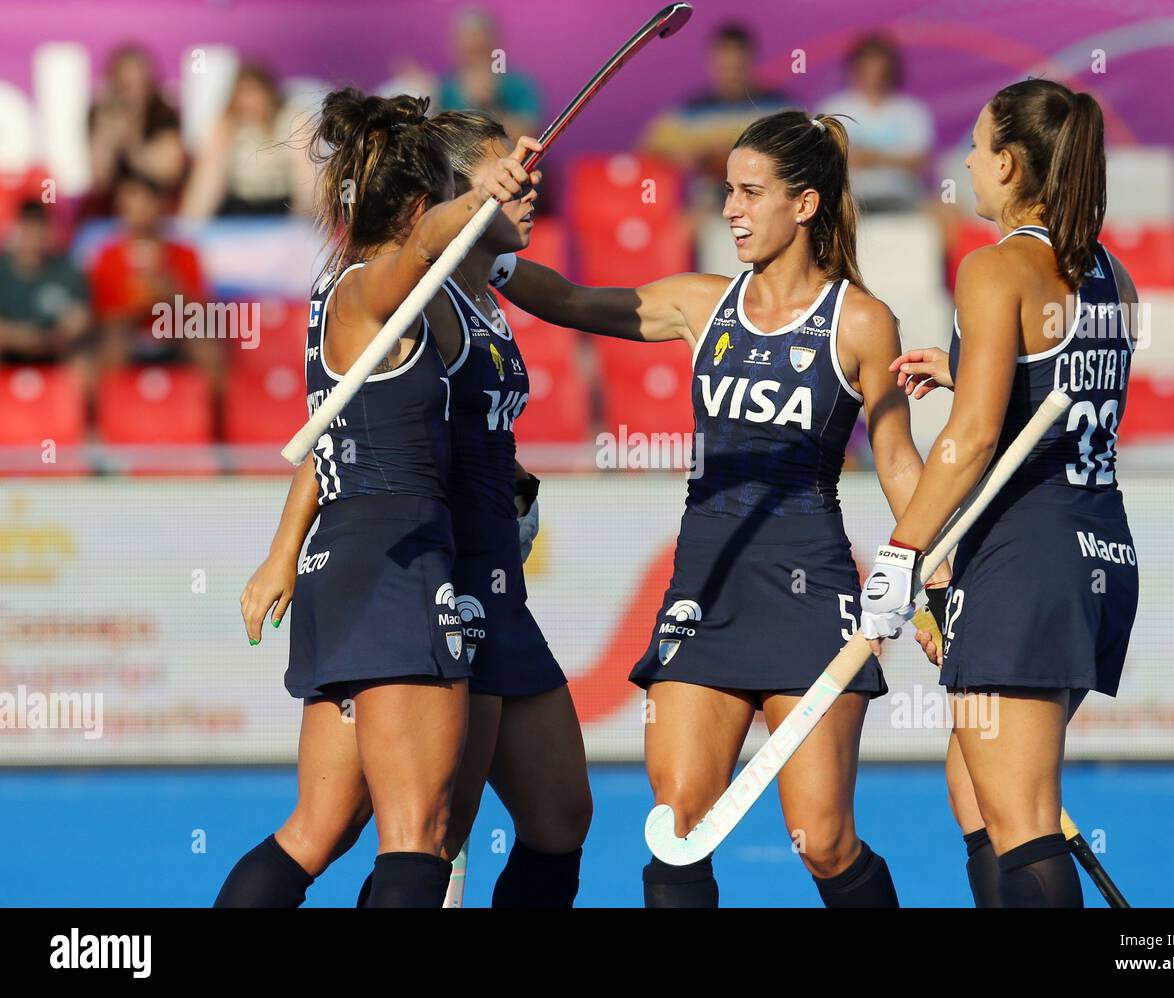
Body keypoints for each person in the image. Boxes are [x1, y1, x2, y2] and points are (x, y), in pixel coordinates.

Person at [496, 109, 946, 907]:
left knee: (825, 843)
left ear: (803, 205)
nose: (731, 208)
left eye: (750, 192)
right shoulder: (701, 304)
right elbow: (567, 300)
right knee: (676, 833)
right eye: (726, 191)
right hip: (703, 588)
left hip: (810, 592)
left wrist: (931, 576)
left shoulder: (861, 321)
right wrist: (481, 247)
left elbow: (899, 464)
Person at [213, 88, 538, 908]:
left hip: (345, 564)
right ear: (425, 203)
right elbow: (427, 242)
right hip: (398, 563)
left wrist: (281, 554)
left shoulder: (348, 289)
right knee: (419, 840)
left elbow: (326, 441)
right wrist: (474, 201)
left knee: (316, 832)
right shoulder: (377, 284)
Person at [869, 79, 1140, 907]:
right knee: (977, 792)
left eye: (979, 148)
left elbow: (973, 437)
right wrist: (968, 367)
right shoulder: (1113, 276)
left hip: (1027, 561)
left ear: (1011, 163)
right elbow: (1072, 389)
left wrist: (902, 550)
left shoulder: (994, 270)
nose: (967, 162)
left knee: (1022, 819)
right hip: (1097, 551)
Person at [87, 168, 220, 388]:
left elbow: (205, 314)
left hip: (175, 335)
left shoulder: (186, 253)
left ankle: (218, 419)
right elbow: (100, 319)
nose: (136, 210)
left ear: (159, 205)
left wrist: (173, 295)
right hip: (127, 337)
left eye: (144, 202)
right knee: (111, 346)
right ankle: (108, 417)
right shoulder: (106, 256)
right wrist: (137, 308)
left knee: (207, 348)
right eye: (129, 201)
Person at [640, 23, 790, 212]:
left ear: (751, 62)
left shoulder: (779, 109)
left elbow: (799, 151)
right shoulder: (691, 112)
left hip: (765, 209)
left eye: (738, 66)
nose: (732, 75)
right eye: (725, 66)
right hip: (709, 210)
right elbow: (651, 146)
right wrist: (693, 156)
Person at [816, 33, 934, 214]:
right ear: (855, 70)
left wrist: (869, 157)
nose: (874, 76)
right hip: (848, 198)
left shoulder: (912, 111)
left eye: (880, 70)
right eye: (868, 68)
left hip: (901, 196)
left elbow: (918, 164)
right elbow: (830, 161)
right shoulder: (834, 109)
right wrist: (892, 159)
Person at [180, 62, 314, 220]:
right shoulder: (226, 124)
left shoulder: (294, 120)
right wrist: (189, 226)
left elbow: (307, 181)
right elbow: (208, 180)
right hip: (237, 209)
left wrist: (301, 226)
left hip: (282, 207)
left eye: (254, 92)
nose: (249, 100)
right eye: (242, 93)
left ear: (269, 93)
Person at [82, 44, 186, 219]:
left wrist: (131, 140)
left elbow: (169, 171)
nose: (133, 93)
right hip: (113, 208)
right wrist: (108, 138)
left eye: (139, 84)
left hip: (158, 206)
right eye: (126, 86)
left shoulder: (163, 113)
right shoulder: (100, 114)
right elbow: (100, 178)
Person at [0, 200, 93, 385]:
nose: (34, 236)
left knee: (84, 364)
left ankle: (76, 413)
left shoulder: (67, 269)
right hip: (9, 352)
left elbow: (80, 321)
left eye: (40, 228)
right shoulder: (2, 269)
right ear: (18, 229)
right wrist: (23, 338)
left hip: (56, 352)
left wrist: (46, 340)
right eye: (29, 228)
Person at [439, 7, 542, 142]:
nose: (472, 45)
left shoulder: (517, 85)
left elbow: (527, 137)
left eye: (478, 43)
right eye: (466, 41)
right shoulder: (445, 90)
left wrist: (488, 106)